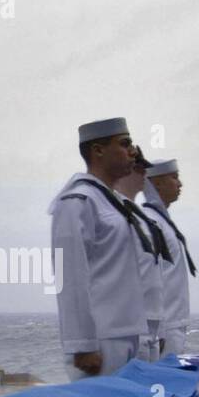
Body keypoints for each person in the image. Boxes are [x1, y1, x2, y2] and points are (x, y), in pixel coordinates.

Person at [48, 117, 151, 379]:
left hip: (129, 333)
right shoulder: (78, 201)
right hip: (102, 340)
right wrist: (82, 344)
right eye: (125, 144)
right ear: (98, 150)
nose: (133, 152)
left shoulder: (114, 203)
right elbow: (70, 276)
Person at [112, 148, 168, 362]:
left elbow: (156, 275)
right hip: (127, 326)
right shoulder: (109, 212)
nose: (144, 175)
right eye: (139, 168)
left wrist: (160, 328)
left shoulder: (142, 217)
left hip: (151, 324)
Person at [141, 158, 195, 356]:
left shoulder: (162, 222)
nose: (180, 184)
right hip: (165, 326)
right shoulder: (150, 222)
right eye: (174, 177)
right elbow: (151, 278)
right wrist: (160, 331)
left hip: (174, 321)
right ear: (157, 183)